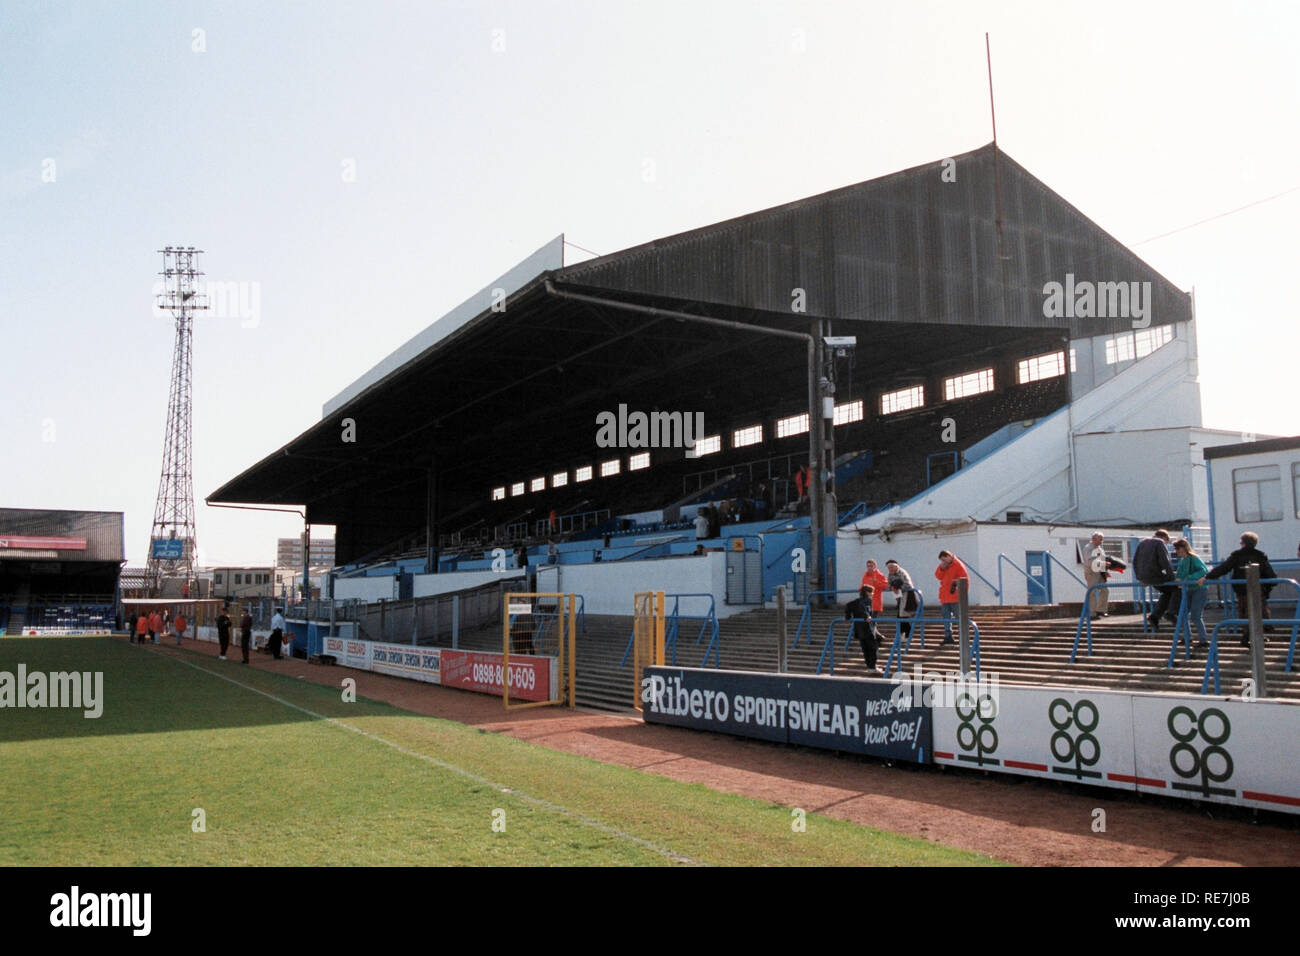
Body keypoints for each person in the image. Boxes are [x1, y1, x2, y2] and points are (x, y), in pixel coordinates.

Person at [1205, 531, 1278, 645]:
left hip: (1242, 590)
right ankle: (1255, 636)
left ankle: (1247, 637)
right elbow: (1270, 574)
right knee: (1259, 613)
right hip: (1258, 590)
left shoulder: (1237, 555)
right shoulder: (1260, 555)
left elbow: (1224, 568)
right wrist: (1268, 588)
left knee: (1245, 614)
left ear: (1242, 543)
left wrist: (1208, 576)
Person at [1133, 530, 1179, 630]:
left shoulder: (1142, 543)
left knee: (1167, 592)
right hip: (1155, 575)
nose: (1167, 545)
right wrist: (1172, 577)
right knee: (1177, 589)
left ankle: (1155, 616)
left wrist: (1139, 578)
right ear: (1164, 538)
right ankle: (1171, 613)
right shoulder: (1159, 542)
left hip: (1144, 577)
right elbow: (1165, 561)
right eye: (1167, 542)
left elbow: (1135, 561)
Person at [1171, 538, 1210, 650]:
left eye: (1178, 548)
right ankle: (1188, 637)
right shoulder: (1183, 561)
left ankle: (1203, 640)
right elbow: (1180, 574)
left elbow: (1203, 571)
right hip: (1188, 589)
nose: (1177, 551)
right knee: (1182, 613)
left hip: (1199, 589)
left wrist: (1188, 578)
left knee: (1196, 615)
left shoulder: (1193, 558)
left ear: (1184, 548)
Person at [1082, 532, 1127, 618]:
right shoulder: (1088, 548)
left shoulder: (1099, 549)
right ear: (1094, 539)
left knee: (1105, 590)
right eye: (1100, 539)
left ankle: (1101, 610)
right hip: (1092, 572)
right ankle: (1091, 613)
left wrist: (1105, 571)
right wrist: (1103, 563)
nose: (1101, 541)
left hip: (1100, 572)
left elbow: (1102, 559)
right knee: (1092, 592)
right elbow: (1089, 562)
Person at [844, 586, 882, 676]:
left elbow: (848, 605)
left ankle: (870, 667)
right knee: (872, 648)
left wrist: (847, 616)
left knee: (865, 649)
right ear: (868, 592)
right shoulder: (867, 601)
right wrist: (866, 616)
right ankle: (872, 667)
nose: (872, 594)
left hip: (859, 629)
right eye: (872, 592)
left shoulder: (856, 601)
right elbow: (863, 610)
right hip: (867, 629)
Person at [934, 550, 969, 645]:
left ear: (949, 556)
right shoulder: (944, 565)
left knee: (959, 617)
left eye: (944, 560)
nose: (943, 562)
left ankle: (963, 637)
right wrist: (942, 568)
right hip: (945, 596)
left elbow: (965, 580)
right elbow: (938, 576)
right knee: (946, 618)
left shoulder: (958, 565)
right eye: (942, 561)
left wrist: (963, 595)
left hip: (955, 597)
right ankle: (948, 636)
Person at [885, 559, 918, 641]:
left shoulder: (902, 572)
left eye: (892, 567)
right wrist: (892, 588)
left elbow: (908, 585)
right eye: (889, 568)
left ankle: (906, 634)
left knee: (902, 615)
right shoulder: (890, 574)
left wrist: (898, 588)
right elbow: (888, 585)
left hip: (907, 594)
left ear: (896, 566)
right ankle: (905, 634)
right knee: (900, 616)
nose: (890, 569)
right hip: (898, 596)